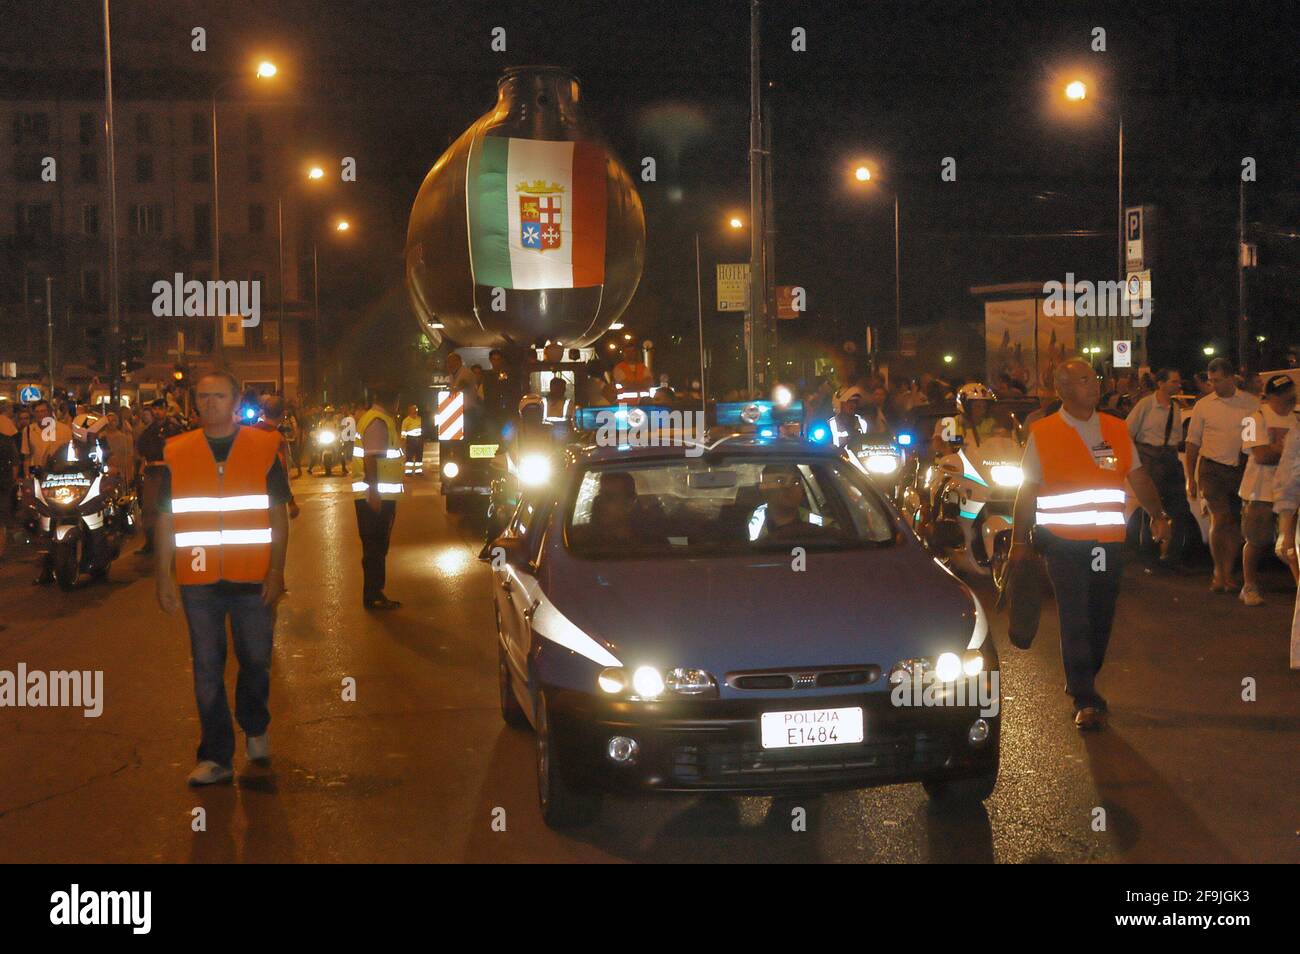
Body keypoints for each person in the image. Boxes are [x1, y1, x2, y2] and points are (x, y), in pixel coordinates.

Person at [1009, 358, 1171, 730]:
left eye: (1094, 378)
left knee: (1100, 615)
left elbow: (1138, 476)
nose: (1094, 385)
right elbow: (1027, 491)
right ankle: (1083, 695)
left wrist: (1159, 515)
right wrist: (1020, 541)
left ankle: (1086, 679)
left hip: (1107, 545)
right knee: (1075, 615)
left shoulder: (1115, 428)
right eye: (1083, 380)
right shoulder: (1044, 433)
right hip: (1064, 543)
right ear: (1063, 390)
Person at [154, 370, 290, 786]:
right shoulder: (176, 451)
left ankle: (255, 725)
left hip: (252, 576)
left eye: (217, 396)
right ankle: (215, 756)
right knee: (208, 668)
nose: (208, 403)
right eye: (202, 396)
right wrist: (163, 575)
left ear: (235, 401)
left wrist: (277, 570)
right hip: (198, 579)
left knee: (256, 660)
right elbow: (166, 519)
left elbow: (277, 516)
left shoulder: (265, 447)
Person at [1184, 357, 1259, 594]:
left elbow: (1253, 441)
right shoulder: (1204, 406)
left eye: (1217, 380)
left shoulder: (1250, 404)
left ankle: (1228, 571)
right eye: (1210, 380)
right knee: (1220, 518)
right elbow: (1192, 443)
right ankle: (1219, 572)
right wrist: (1190, 477)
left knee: (1235, 522)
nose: (1213, 384)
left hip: (1239, 468)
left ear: (1230, 378)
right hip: (1212, 468)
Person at [1237, 374, 1297, 605]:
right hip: (1259, 492)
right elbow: (1260, 455)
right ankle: (1249, 586)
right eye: (1284, 396)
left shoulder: (1295, 420)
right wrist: (1288, 452)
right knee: (1256, 540)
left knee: (1290, 542)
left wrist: (1279, 450)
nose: (1289, 399)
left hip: (1288, 492)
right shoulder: (1253, 419)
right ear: (1272, 396)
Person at [1126, 368, 1193, 567]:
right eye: (1173, 381)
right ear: (1161, 383)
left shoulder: (1176, 407)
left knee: (1180, 510)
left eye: (1178, 381)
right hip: (1151, 459)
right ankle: (1150, 558)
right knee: (1151, 509)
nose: (1178, 385)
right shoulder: (1146, 404)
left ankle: (1172, 557)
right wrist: (1135, 461)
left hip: (1169, 459)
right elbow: (1128, 431)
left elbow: (1177, 438)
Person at [351, 384, 405, 610]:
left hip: (375, 494)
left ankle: (374, 592)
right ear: (396, 401)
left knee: (374, 546)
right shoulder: (378, 422)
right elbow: (371, 458)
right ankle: (373, 594)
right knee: (375, 546)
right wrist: (374, 492)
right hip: (376, 496)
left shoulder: (371, 418)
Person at [254, 396, 301, 520]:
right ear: (282, 414)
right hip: (273, 498)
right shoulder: (277, 438)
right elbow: (280, 471)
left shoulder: (250, 432)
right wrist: (291, 502)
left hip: (252, 496)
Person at [19, 399, 72, 478]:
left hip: (58, 474)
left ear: (50, 412)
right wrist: (27, 476)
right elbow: (27, 457)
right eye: (37, 412)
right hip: (37, 473)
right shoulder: (28, 430)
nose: (40, 414)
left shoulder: (64, 430)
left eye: (43, 411)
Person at [400, 404, 425, 476]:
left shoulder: (420, 419)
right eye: (414, 409)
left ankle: (418, 471)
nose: (415, 411)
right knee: (409, 456)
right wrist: (403, 441)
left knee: (419, 456)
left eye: (416, 409)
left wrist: (423, 439)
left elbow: (423, 430)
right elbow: (403, 431)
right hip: (411, 440)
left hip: (419, 439)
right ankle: (408, 472)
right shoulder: (406, 420)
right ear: (410, 411)